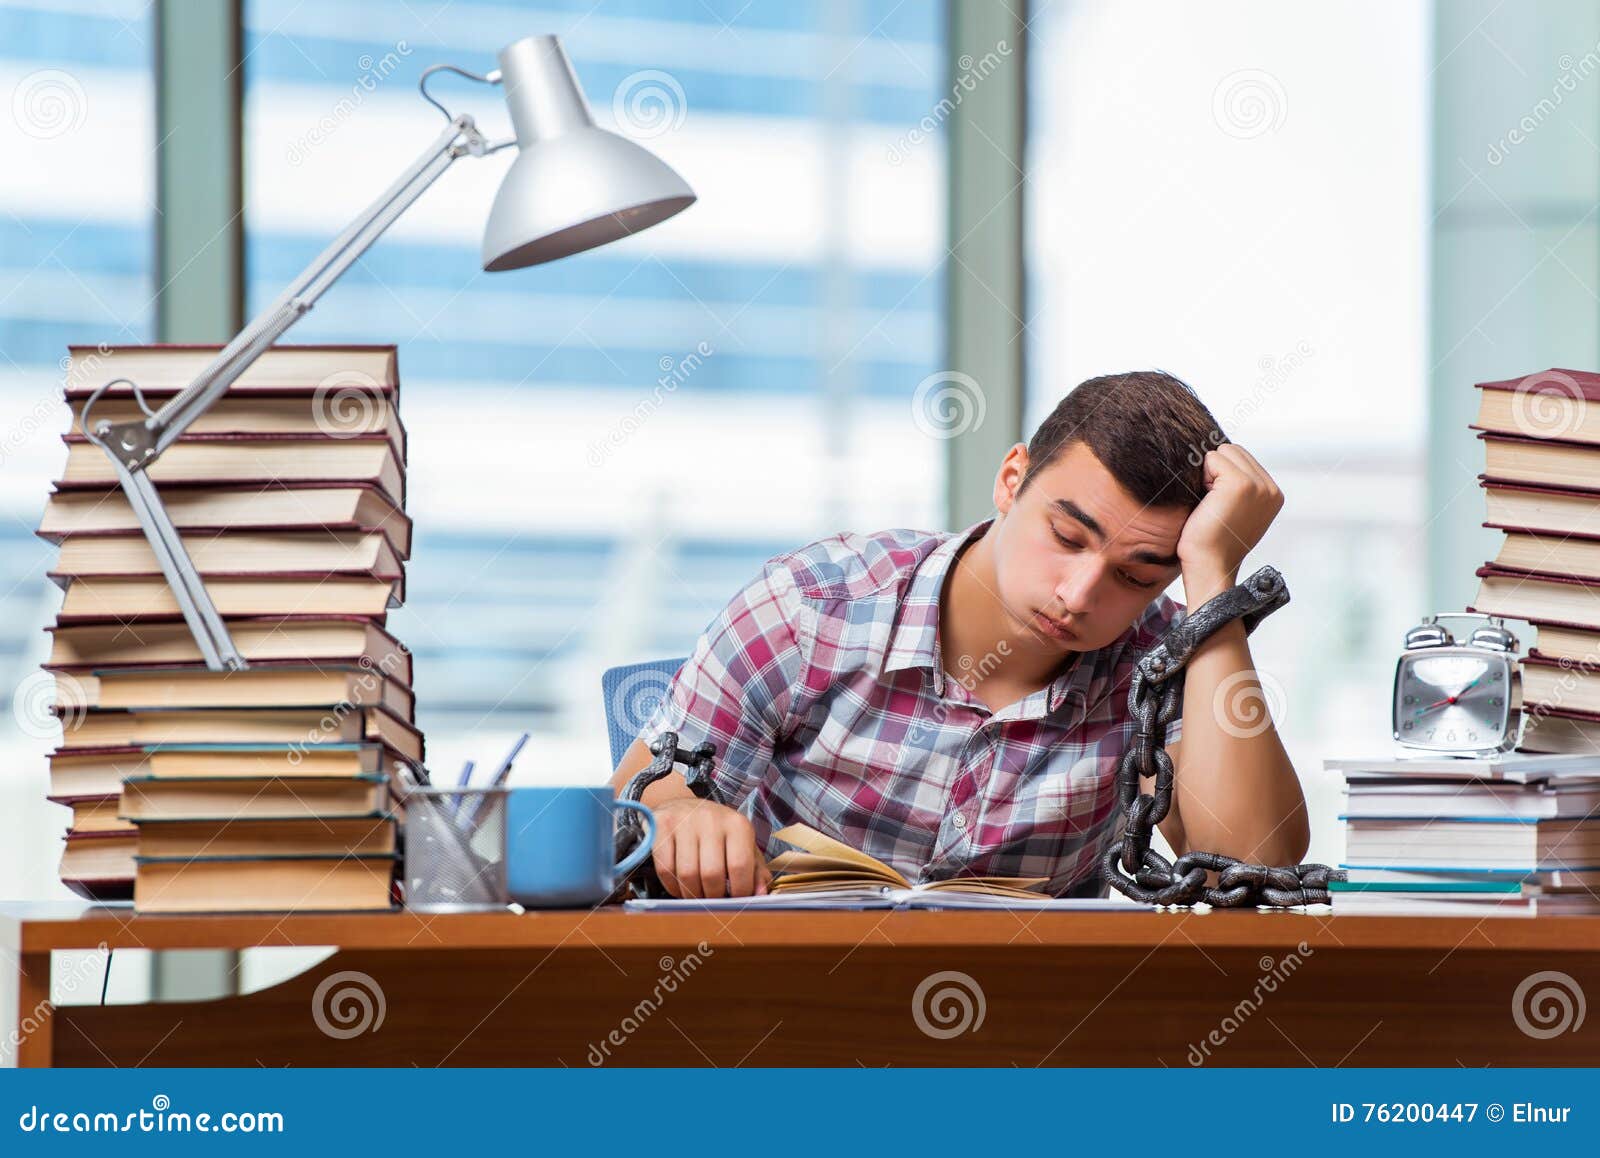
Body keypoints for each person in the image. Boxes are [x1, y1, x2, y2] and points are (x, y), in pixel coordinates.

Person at [608, 370, 1310, 899]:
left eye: (1135, 575)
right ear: (1011, 480)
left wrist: (1214, 582)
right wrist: (677, 818)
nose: (1079, 594)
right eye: (1066, 536)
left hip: (1028, 1049)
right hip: (787, 1018)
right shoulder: (808, 607)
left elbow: (1249, 867)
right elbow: (631, 810)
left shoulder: (1160, 659)